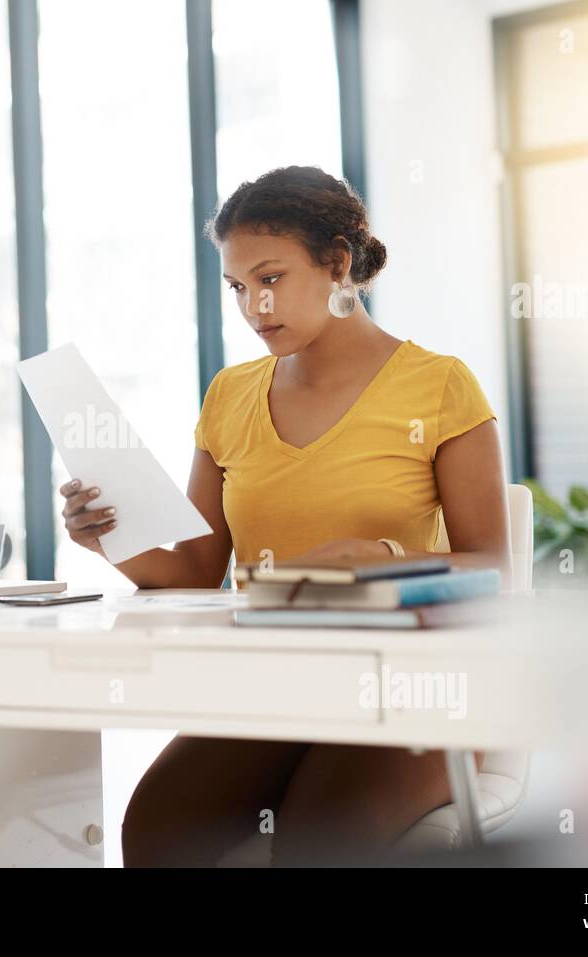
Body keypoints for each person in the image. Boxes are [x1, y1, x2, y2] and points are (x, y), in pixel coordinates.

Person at [58, 165, 511, 866]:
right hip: (275, 684)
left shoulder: (440, 385)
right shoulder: (229, 395)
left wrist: (386, 562)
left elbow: (493, 567)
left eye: (269, 278)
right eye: (237, 286)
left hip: (414, 688)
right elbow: (196, 570)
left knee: (312, 843)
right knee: (156, 829)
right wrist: (108, 540)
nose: (253, 306)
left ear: (337, 263)